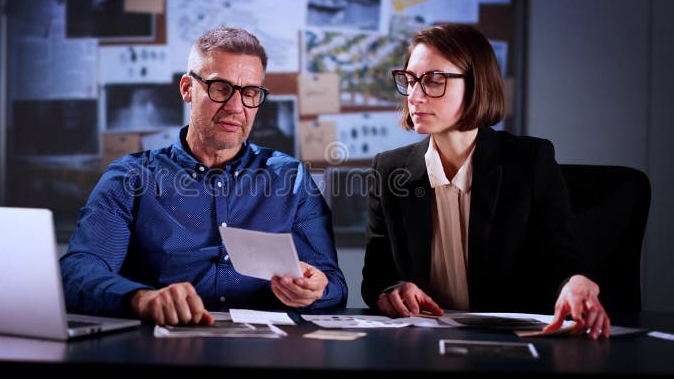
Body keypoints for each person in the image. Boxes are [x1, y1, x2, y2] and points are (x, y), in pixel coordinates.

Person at [61, 27, 347, 326]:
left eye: (250, 93)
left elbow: (335, 285)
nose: (236, 108)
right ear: (187, 88)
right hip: (159, 350)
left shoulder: (291, 178)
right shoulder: (130, 178)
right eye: (220, 89)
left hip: (264, 354)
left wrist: (316, 289)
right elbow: (79, 271)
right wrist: (141, 298)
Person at [361, 23, 610, 340]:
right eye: (409, 81)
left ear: (476, 85)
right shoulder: (389, 169)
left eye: (433, 81)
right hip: (424, 342)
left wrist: (576, 281)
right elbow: (375, 279)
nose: (414, 96)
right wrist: (394, 290)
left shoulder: (529, 162)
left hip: (513, 345)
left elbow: (560, 261)